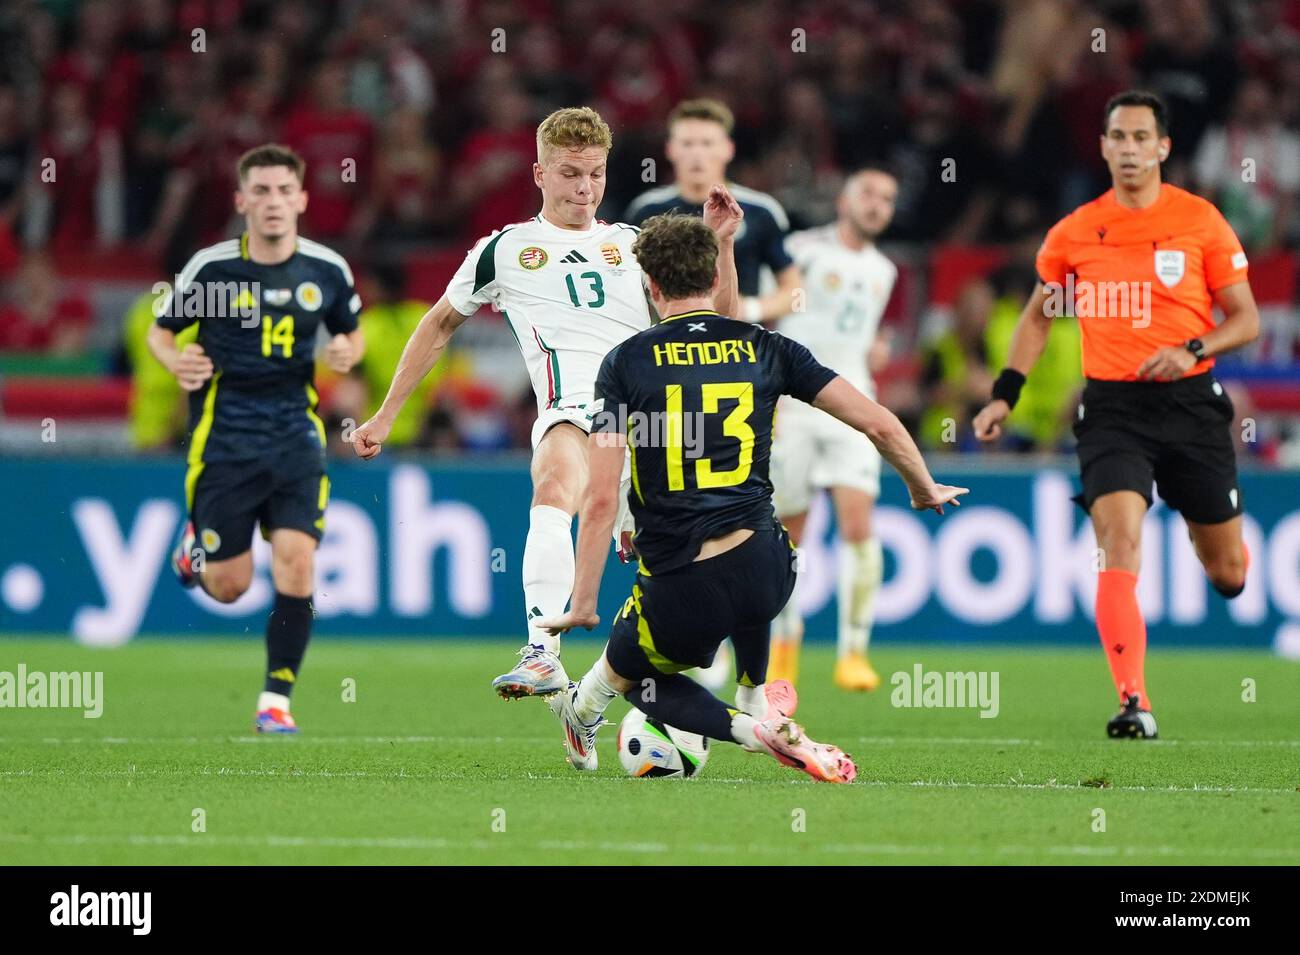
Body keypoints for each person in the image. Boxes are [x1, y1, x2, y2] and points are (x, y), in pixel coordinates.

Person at [538, 212, 967, 783]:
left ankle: (752, 727)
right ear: (715, 278)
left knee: (639, 676)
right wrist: (922, 485)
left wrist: (584, 599)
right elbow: (880, 423)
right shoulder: (767, 348)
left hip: (682, 583)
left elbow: (597, 498)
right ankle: (754, 693)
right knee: (764, 536)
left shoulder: (626, 362)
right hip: (772, 574)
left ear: (650, 285)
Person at [348, 107, 741, 700]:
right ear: (538, 173)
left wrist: (721, 244)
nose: (584, 188)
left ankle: (594, 706)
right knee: (554, 483)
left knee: (684, 599)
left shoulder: (632, 245)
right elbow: (438, 325)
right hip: (577, 407)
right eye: (569, 174)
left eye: (595, 174)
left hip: (655, 422)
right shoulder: (505, 249)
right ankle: (542, 652)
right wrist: (385, 413)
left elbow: (718, 323)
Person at [973, 91, 1260, 739]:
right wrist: (1003, 394)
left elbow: (1246, 320)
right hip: (1111, 409)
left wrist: (1191, 346)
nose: (1129, 149)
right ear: (1102, 147)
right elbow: (1039, 316)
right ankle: (1134, 701)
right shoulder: (1075, 232)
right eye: (1117, 138)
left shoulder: (1201, 221)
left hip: (1192, 403)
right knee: (1118, 543)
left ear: (1162, 148)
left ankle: (1198, 526)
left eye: (1140, 138)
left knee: (1229, 572)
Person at [147, 144, 365, 734]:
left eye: (282, 191)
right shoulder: (212, 269)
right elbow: (160, 332)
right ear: (242, 201)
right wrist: (175, 360)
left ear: (301, 199)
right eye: (260, 192)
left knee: (297, 561)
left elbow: (352, 334)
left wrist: (348, 350)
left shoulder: (326, 270)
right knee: (228, 586)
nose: (272, 203)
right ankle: (197, 542)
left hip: (296, 433)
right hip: (227, 438)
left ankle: (276, 701)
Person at [766, 168, 900, 691]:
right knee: (787, 532)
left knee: (858, 524)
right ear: (844, 199)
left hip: (854, 404)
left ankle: (853, 652)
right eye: (868, 193)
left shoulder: (884, 270)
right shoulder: (800, 250)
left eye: (887, 198)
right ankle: (783, 645)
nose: (877, 205)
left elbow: (861, 333)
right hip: (795, 405)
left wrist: (874, 350)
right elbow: (768, 309)